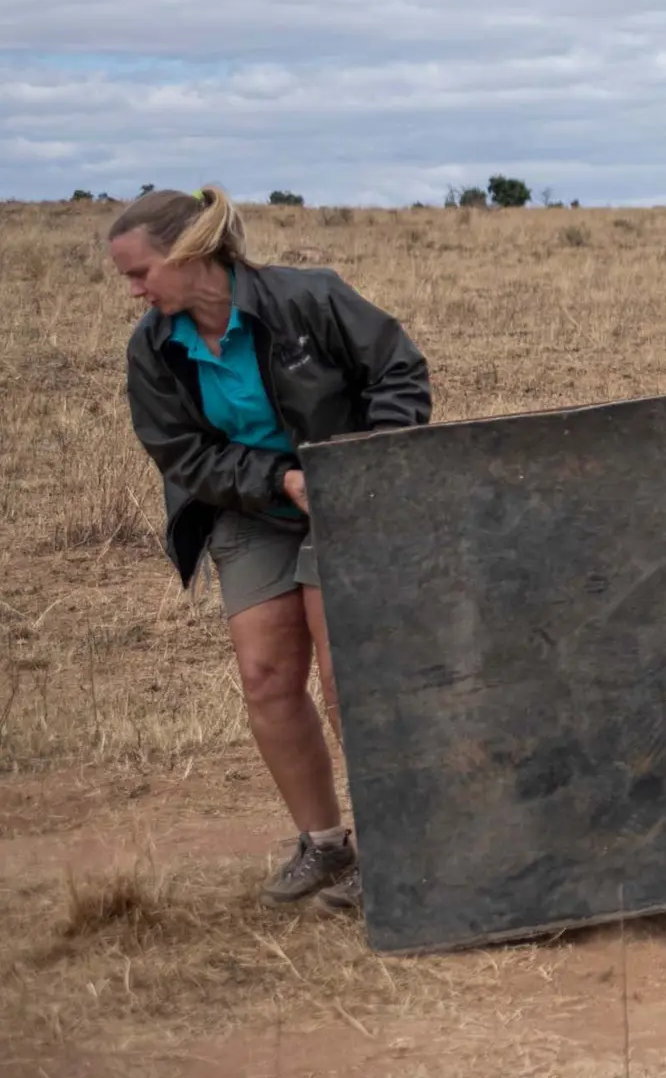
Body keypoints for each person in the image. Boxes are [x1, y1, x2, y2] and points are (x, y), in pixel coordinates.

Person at [108, 187, 431, 913]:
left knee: (345, 676)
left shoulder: (308, 297)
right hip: (251, 503)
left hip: (342, 498)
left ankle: (400, 850)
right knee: (265, 676)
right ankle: (323, 844)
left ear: (190, 254)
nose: (132, 291)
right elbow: (182, 455)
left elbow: (399, 372)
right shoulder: (153, 347)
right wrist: (279, 478)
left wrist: (361, 468)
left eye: (140, 273)